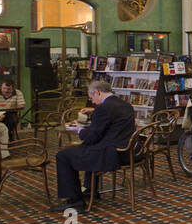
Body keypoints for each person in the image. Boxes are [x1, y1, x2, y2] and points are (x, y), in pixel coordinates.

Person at [53, 79, 135, 212]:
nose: (92, 102)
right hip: (126, 152)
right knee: (84, 149)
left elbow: (91, 137)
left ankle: (75, 201)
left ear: (97, 92)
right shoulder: (125, 104)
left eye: (92, 97)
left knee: (63, 155)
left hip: (110, 154)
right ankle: (91, 190)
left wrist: (79, 129)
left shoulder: (103, 108)